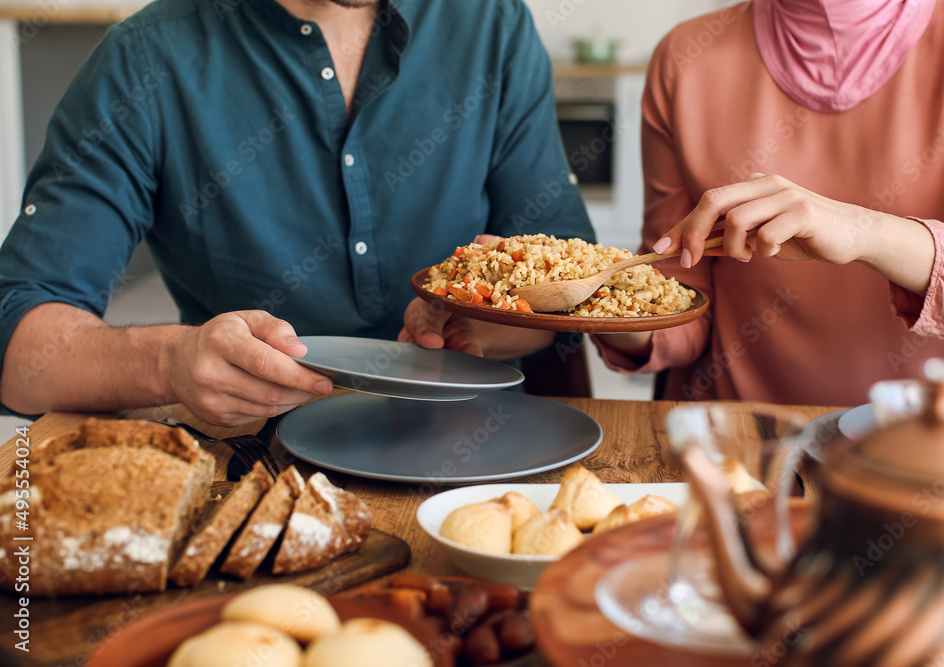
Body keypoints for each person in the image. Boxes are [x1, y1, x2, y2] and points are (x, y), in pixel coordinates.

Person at [0, 0, 595, 425]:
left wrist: (488, 317)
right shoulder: (147, 57)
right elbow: (20, 349)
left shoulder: (494, 25)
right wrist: (172, 362)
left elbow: (577, 281)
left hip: (479, 446)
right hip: (252, 460)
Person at [593, 0, 944, 407]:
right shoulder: (684, 55)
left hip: (936, 449)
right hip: (735, 445)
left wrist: (863, 231)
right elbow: (681, 298)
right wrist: (601, 305)